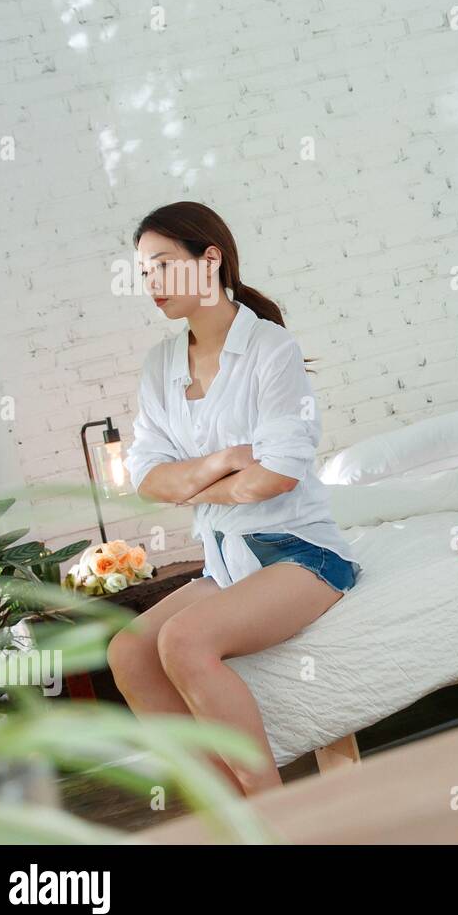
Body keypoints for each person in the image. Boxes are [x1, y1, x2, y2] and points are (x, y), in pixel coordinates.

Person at [109, 201, 361, 796]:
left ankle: (273, 811)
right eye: (143, 273)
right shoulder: (159, 365)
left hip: (300, 554)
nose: (152, 284)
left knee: (184, 640)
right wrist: (224, 460)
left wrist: (190, 482)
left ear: (210, 259)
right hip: (227, 564)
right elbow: (147, 479)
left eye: (164, 265)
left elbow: (278, 475)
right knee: (128, 650)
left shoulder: (271, 349)